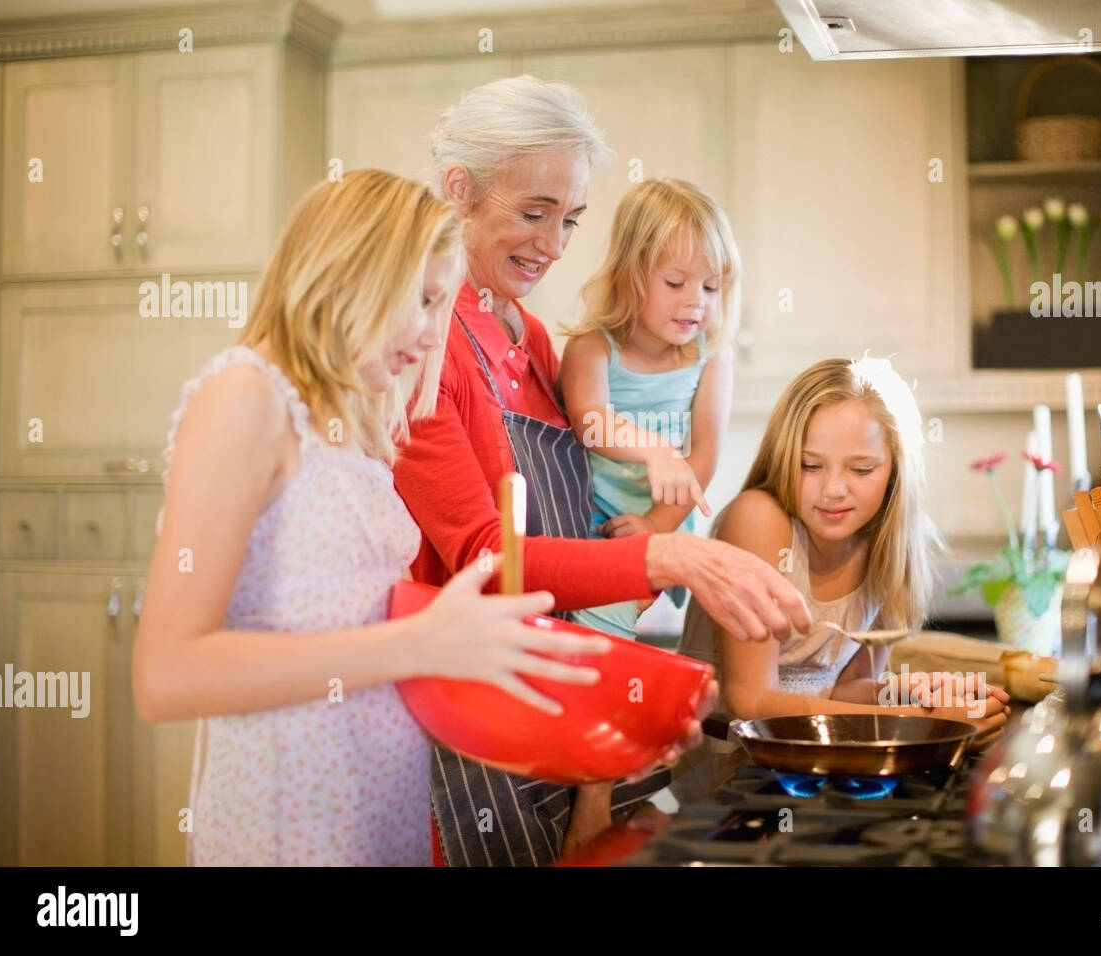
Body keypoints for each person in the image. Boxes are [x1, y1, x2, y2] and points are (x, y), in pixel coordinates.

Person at [132, 169, 611, 866]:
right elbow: (166, 675)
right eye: (420, 300)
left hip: (376, 809)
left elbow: (350, 629)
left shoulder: (351, 422)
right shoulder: (245, 397)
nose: (427, 338)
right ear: (352, 271)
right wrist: (420, 642)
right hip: (287, 820)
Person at [393, 75, 811, 866]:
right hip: (469, 709)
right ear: (459, 190)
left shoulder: (534, 339)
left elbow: (574, 517)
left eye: (571, 219)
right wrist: (665, 552)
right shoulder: (422, 340)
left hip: (549, 704)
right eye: (533, 212)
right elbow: (489, 558)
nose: (553, 244)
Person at [679, 357, 1010, 746]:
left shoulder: (890, 546)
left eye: (862, 470)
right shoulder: (758, 520)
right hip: (726, 764)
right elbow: (750, 701)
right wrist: (919, 723)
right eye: (811, 465)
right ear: (785, 457)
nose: (834, 489)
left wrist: (912, 692)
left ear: (895, 471)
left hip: (818, 755)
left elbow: (843, 690)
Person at [555, 177, 739, 849]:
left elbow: (709, 454)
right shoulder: (592, 348)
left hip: (663, 524)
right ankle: (611, 788)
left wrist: (659, 529)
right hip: (596, 521)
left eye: (711, 288)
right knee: (600, 651)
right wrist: (653, 449)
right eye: (677, 282)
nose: (696, 303)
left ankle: (599, 797)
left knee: (618, 643)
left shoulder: (707, 359)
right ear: (632, 275)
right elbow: (592, 423)